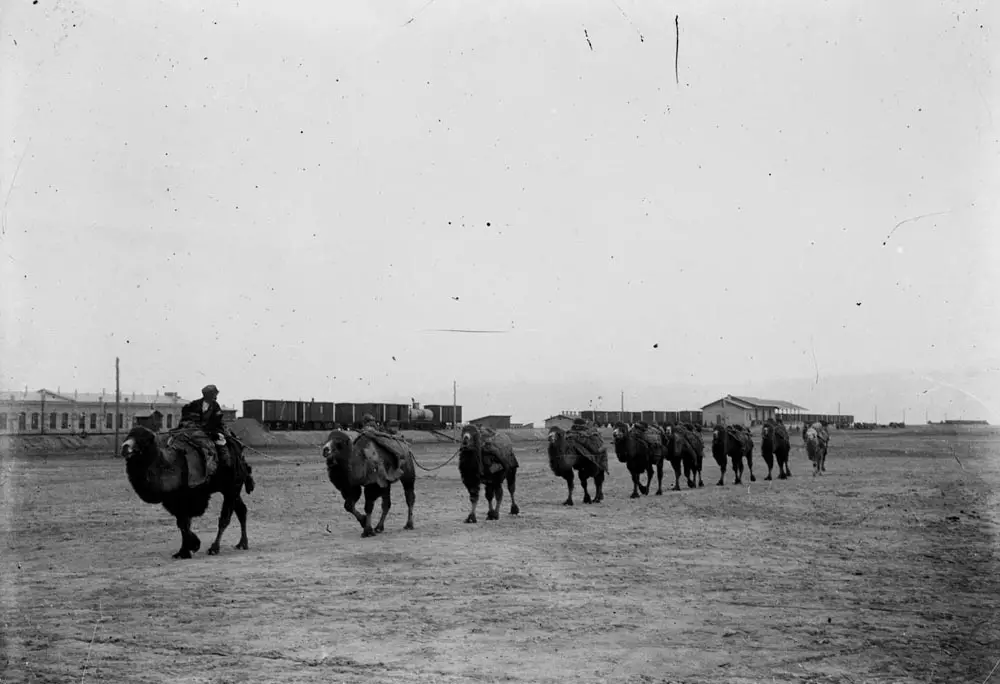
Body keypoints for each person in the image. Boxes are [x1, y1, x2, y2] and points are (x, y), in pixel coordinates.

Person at [180, 384, 230, 467]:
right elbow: (186, 416)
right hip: (193, 431)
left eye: (216, 394)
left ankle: (224, 463)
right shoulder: (194, 404)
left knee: (221, 443)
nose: (216, 397)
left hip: (210, 432)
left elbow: (218, 421)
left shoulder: (215, 406)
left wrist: (218, 430)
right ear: (207, 395)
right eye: (214, 394)